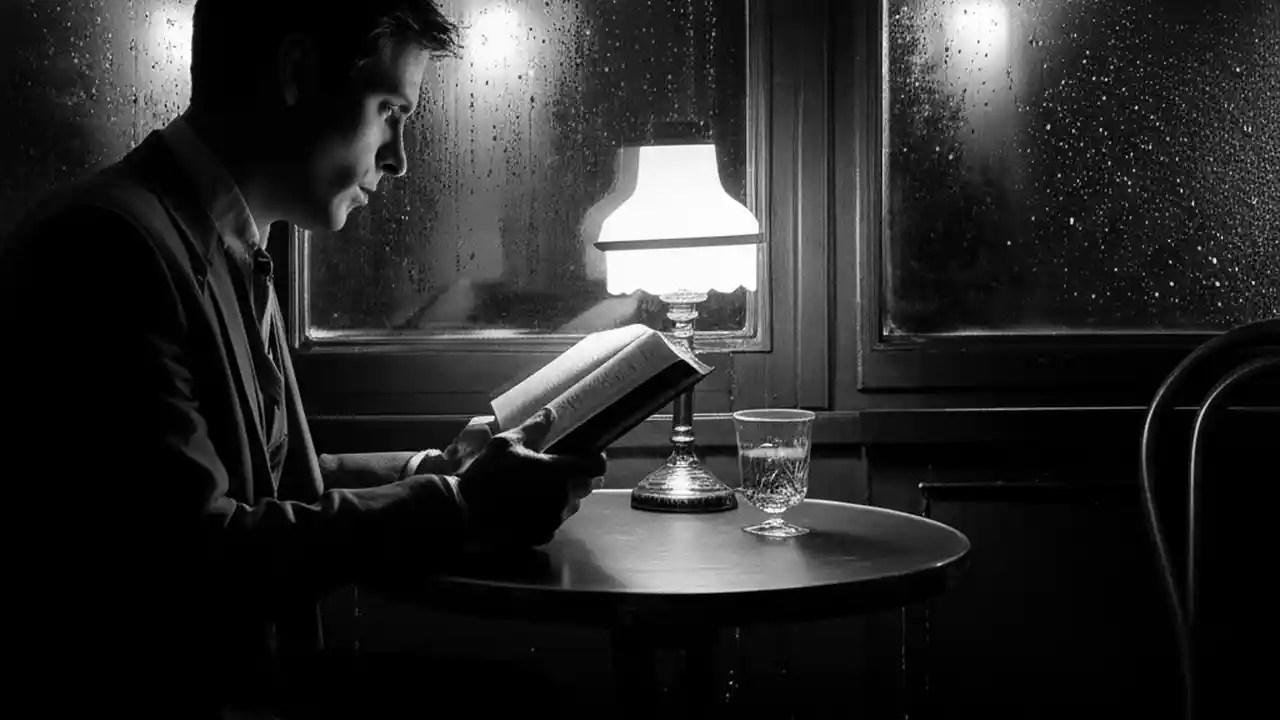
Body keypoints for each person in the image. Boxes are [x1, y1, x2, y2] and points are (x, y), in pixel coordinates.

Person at [0, 0, 605, 717]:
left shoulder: (213, 240)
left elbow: (254, 490)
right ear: (296, 72)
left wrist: (433, 469)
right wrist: (460, 505)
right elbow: (193, 556)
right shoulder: (106, 250)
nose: (399, 158)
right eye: (389, 110)